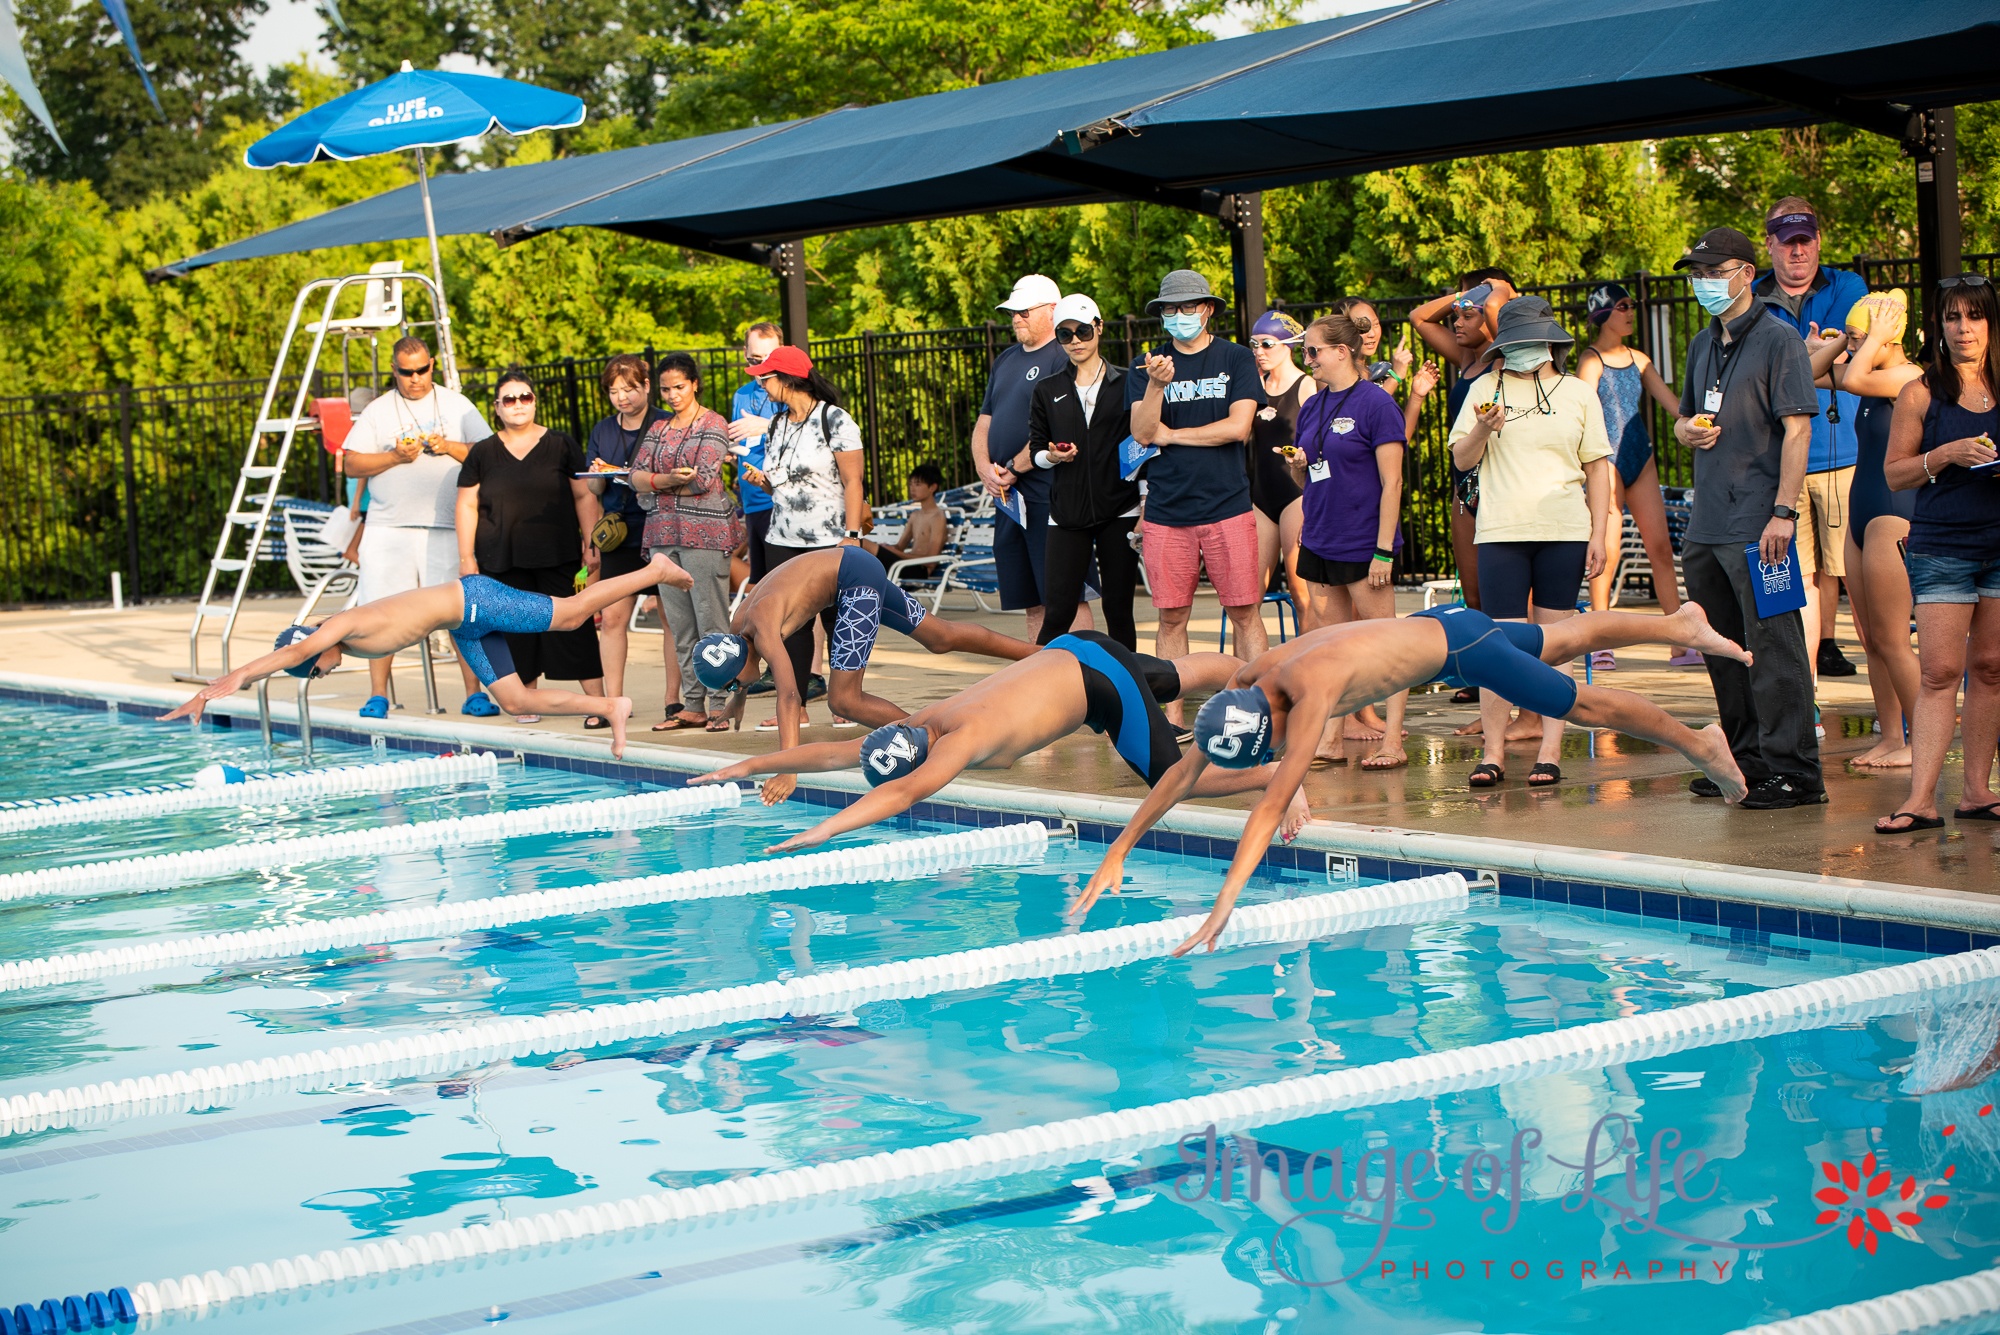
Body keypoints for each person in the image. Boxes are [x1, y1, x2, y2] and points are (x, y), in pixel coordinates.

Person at [1073, 601, 1752, 955]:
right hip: (1440, 631)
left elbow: (1266, 808)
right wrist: (1119, 849)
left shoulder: (1309, 696)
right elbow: (1183, 770)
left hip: (1460, 646)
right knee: (1563, 638)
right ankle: (1677, 620)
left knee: (1582, 702)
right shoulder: (1249, 681)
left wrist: (1223, 906)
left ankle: (1700, 744)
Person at [685, 632, 1306, 849]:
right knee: (1177, 674)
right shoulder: (923, 721)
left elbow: (899, 798)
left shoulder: (956, 745)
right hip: (1079, 650)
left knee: (1172, 784)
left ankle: (1277, 777)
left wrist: (822, 830)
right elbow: (832, 752)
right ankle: (1268, 676)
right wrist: (748, 763)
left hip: (1098, 687)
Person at [164, 553, 693, 759]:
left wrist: (226, 681)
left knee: (573, 614)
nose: (322, 669)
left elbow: (295, 651)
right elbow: (298, 651)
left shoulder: (336, 628)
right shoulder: (345, 638)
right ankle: (608, 709)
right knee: (512, 698)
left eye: (314, 669)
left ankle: (653, 572)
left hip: (476, 599)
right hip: (464, 625)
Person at [689, 546, 1039, 802]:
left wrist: (788, 769)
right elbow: (740, 667)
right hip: (853, 566)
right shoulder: (738, 630)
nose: (737, 687)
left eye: (733, 683)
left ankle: (937, 741)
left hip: (852, 581)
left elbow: (791, 695)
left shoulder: (762, 629)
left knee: (844, 700)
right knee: (940, 637)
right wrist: (738, 699)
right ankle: (1044, 653)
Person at [1673, 225, 1824, 810]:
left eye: (1713, 272)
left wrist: (1783, 512)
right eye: (1697, 275)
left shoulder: (1780, 339)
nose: (1703, 283)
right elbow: (1688, 418)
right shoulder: (1700, 343)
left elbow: (1799, 429)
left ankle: (1796, 772)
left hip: (1763, 525)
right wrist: (1686, 429)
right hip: (1708, 523)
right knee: (1723, 649)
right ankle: (1744, 764)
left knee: (1776, 648)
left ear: (1744, 272)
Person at [1448, 296, 1613, 789]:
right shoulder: (1484, 387)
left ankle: (1550, 750)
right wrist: (1481, 425)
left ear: (1550, 342)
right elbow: (1461, 460)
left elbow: (1597, 467)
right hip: (1501, 532)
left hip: (1564, 531)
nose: (1524, 350)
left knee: (1556, 645)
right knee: (1495, 646)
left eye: (1532, 341)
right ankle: (1492, 752)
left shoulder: (1579, 393)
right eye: (1515, 342)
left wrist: (1598, 533)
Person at [1875, 275, 2000, 834]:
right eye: (1953, 317)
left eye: (1974, 316)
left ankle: (1977, 791)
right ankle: (1920, 800)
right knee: (1940, 671)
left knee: (1992, 670)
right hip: (1944, 545)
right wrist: (1946, 453)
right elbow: (1895, 472)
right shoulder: (1920, 392)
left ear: (1990, 323)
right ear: (1939, 327)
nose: (1964, 328)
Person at [1130, 269, 1266, 721]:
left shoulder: (1236, 359)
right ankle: (1171, 722)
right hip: (1167, 512)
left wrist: (1175, 435)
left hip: (1228, 506)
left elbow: (1238, 428)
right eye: (1169, 308)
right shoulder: (1148, 366)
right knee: (1171, 618)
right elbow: (1143, 434)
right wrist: (1155, 386)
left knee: (1245, 612)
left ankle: (1253, 713)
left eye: (1188, 306)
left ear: (1207, 309)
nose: (1178, 315)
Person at [338, 336, 491, 718]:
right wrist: (392, 457)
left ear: (432, 365)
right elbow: (350, 464)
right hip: (389, 528)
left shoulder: (457, 405)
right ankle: (378, 695)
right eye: (406, 372)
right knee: (379, 612)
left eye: (422, 370)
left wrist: (450, 447)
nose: (415, 378)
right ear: (394, 371)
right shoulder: (377, 410)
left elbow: (492, 454)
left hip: (444, 526)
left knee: (460, 611)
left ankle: (475, 694)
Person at [1287, 310, 1409, 770]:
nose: (1308, 358)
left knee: (1385, 646)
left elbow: (1392, 483)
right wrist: (1298, 466)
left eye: (1313, 351)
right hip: (1321, 536)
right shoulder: (1315, 405)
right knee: (1333, 646)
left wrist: (1383, 550)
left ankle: (1392, 740)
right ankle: (1333, 738)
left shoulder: (1376, 404)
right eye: (1304, 352)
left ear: (1342, 351)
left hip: (1362, 542)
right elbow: (1312, 477)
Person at [454, 368, 609, 727]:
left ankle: (596, 702)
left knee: (575, 626)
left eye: (525, 397)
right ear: (497, 407)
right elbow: (466, 505)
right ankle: (526, 701)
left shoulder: (560, 444)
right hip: (502, 559)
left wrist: (590, 540)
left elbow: (582, 493)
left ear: (535, 402)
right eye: (509, 399)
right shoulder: (482, 453)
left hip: (558, 554)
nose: (518, 405)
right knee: (516, 633)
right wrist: (466, 558)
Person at [1754, 199, 1870, 678]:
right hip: (1777, 464)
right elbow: (1759, 373)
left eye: (1805, 240)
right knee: (1783, 582)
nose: (1798, 251)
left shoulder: (1849, 286)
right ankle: (1802, 701)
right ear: (1770, 245)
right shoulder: (1751, 296)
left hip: (1844, 457)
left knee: (1863, 585)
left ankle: (1900, 715)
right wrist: (1817, 357)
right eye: (1787, 242)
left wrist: (1798, 362)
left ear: (1818, 240)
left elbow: (1858, 354)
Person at [733, 343, 868, 729]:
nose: (761, 384)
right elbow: (782, 480)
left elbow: (853, 480)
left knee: (837, 619)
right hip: (783, 537)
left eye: (766, 377)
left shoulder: (836, 420)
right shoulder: (778, 423)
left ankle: (847, 702)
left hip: (829, 538)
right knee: (789, 623)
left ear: (788, 379)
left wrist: (852, 534)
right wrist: (764, 479)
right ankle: (797, 707)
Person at [1817, 292, 1922, 769]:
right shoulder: (1871, 374)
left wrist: (1872, 338)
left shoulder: (1908, 376)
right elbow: (1815, 373)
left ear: (1889, 336)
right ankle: (1890, 735)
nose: (1852, 346)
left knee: (1894, 637)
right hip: (1862, 510)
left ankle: (1925, 738)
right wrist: (1824, 343)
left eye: (1860, 337)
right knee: (1873, 639)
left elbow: (1853, 377)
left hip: (1893, 513)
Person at [1577, 283, 1699, 669]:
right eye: (1623, 306)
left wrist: (1704, 418)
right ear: (1603, 314)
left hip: (1639, 457)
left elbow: (1673, 405)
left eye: (1633, 305)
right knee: (1607, 552)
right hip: (1606, 459)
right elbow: (1579, 415)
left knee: (1661, 549)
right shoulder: (1591, 361)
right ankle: (1600, 640)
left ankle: (1680, 639)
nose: (1631, 312)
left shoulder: (1640, 360)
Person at [973, 274, 1089, 641]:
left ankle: (1090, 675)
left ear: (1052, 311)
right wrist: (985, 470)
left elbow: (1060, 428)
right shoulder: (1005, 360)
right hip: (1009, 498)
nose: (1016, 318)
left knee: (1068, 593)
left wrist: (1012, 468)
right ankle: (1041, 677)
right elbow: (983, 423)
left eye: (1024, 311)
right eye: (1012, 312)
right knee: (1032, 600)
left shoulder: (1063, 356)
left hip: (1050, 491)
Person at [630, 353, 738, 732]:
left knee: (712, 623)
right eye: (666, 389)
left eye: (679, 386)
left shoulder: (713, 423)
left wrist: (658, 482)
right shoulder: (658, 428)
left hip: (705, 536)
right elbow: (634, 477)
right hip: (662, 537)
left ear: (694, 383)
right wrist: (666, 480)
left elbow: (704, 479)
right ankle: (692, 704)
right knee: (680, 627)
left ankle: (721, 703)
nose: (673, 394)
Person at [1030, 292, 1140, 647]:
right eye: (1065, 334)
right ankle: (1036, 688)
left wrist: (1144, 503)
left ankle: (1128, 692)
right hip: (1066, 513)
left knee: (1119, 609)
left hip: (1120, 509)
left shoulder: (1127, 382)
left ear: (1099, 328)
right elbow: (1036, 451)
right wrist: (1052, 457)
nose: (1075, 340)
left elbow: (1144, 445)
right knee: (1058, 611)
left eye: (1082, 331)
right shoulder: (1048, 390)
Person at [1408, 267, 1517, 616]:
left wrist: (1499, 291)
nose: (1457, 320)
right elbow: (1419, 318)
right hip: (1465, 491)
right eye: (1457, 313)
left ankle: (1529, 668)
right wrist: (1462, 299)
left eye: (1469, 313)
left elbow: (1500, 317)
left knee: (1514, 601)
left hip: (1502, 488)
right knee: (1476, 600)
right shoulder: (1467, 360)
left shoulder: (1506, 359)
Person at [583, 354, 669, 725]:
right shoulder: (603, 430)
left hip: (662, 528)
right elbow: (592, 487)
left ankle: (674, 701)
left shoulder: (665, 423)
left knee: (672, 618)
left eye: (629, 389)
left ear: (646, 386)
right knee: (614, 617)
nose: (622, 397)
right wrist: (597, 474)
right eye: (614, 391)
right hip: (620, 532)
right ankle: (613, 702)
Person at [1246, 310, 1312, 613]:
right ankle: (1249, 662)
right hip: (1261, 498)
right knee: (1248, 597)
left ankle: (1311, 662)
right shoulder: (1253, 389)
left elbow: (1320, 447)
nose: (1259, 352)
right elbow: (1241, 438)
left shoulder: (1307, 386)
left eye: (1267, 344)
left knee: (1303, 594)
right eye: (1254, 344)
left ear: (1289, 345)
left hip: (1295, 497)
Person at [727, 322, 785, 588]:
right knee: (762, 586)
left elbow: (806, 430)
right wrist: (728, 451)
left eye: (769, 358)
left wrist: (766, 426)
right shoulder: (742, 394)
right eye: (755, 358)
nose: (762, 365)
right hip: (751, 500)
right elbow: (742, 439)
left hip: (779, 498)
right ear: (744, 354)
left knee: (788, 587)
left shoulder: (789, 388)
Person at [864, 463, 949, 571]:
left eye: (917, 484)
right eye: (911, 484)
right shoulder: (915, 515)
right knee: (862, 549)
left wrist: (894, 552)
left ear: (932, 487)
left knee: (863, 544)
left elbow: (931, 561)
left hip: (919, 569)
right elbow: (900, 547)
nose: (912, 489)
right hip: (904, 565)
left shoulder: (937, 517)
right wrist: (886, 548)